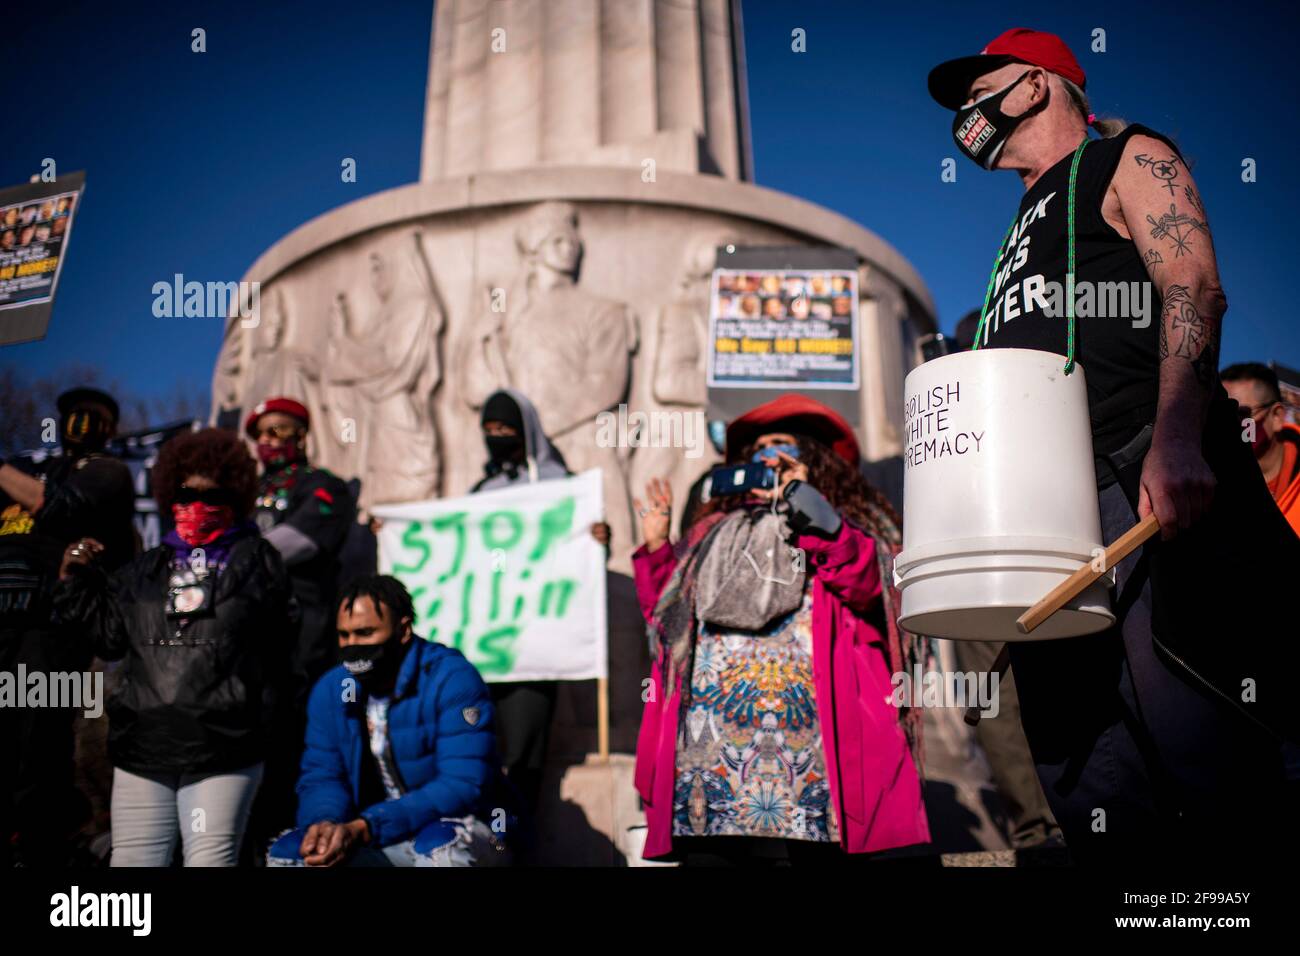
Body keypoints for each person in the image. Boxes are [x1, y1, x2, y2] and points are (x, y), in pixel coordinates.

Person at [929, 27, 1299, 862]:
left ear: (1035, 85)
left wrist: (1176, 440)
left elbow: (1192, 283)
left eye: (980, 91)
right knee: (1090, 774)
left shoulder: (1128, 157)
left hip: (1143, 484)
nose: (966, 115)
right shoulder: (1019, 228)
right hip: (1051, 522)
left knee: (1204, 738)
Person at [632, 395, 929, 864]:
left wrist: (811, 510)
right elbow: (668, 624)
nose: (767, 454)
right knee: (713, 856)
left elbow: (868, 587)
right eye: (759, 447)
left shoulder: (845, 524)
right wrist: (656, 550)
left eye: (781, 443)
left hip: (812, 738)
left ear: (812, 457)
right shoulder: (711, 530)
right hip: (712, 741)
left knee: (818, 854)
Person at [53, 428, 295, 866]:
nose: (198, 505)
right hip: (144, 747)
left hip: (224, 747)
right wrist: (77, 582)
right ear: (169, 496)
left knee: (209, 860)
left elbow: (280, 646)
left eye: (212, 495)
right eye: (187, 494)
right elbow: (110, 640)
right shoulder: (145, 569)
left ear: (235, 497)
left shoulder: (258, 561)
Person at [268, 575, 503, 867]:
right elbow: (322, 775)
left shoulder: (451, 679)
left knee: (441, 847)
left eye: (365, 633)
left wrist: (369, 825)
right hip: (373, 831)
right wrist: (326, 823)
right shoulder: (333, 689)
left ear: (403, 630)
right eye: (344, 635)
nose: (353, 645)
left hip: (465, 828)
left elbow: (462, 784)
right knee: (294, 852)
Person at [0, 386, 135, 866]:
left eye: (92, 415)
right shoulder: (36, 468)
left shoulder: (108, 473)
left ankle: (45, 846)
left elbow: (57, 507)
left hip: (55, 626)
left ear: (110, 427)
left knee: (40, 739)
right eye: (73, 414)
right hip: (7, 623)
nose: (80, 422)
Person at [468, 389, 611, 833]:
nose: (496, 437)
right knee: (476, 750)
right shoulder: (481, 492)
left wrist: (596, 541)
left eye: (505, 429)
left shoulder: (561, 488)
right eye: (489, 430)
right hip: (486, 646)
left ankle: (512, 841)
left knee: (523, 756)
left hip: (533, 649)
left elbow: (577, 564)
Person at [243, 396, 355, 855]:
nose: (268, 441)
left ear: (302, 435)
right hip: (248, 638)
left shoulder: (323, 486)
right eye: (261, 433)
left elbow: (300, 541)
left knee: (293, 737)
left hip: (302, 637)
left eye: (278, 430)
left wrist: (233, 556)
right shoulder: (244, 493)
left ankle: (294, 839)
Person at [1220, 363, 1300, 536]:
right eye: (1220, 416)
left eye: (1241, 414)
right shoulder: (1209, 486)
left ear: (1277, 416)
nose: (1228, 426)